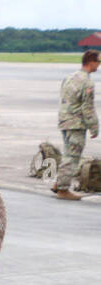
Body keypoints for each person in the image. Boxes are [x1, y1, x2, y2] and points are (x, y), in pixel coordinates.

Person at [54, 50, 99, 201]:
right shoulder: (87, 82)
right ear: (91, 62)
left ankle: (58, 182)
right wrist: (94, 126)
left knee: (67, 153)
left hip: (64, 120)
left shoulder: (69, 77)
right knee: (73, 156)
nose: (99, 65)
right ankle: (63, 189)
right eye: (98, 62)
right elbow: (87, 107)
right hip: (76, 123)